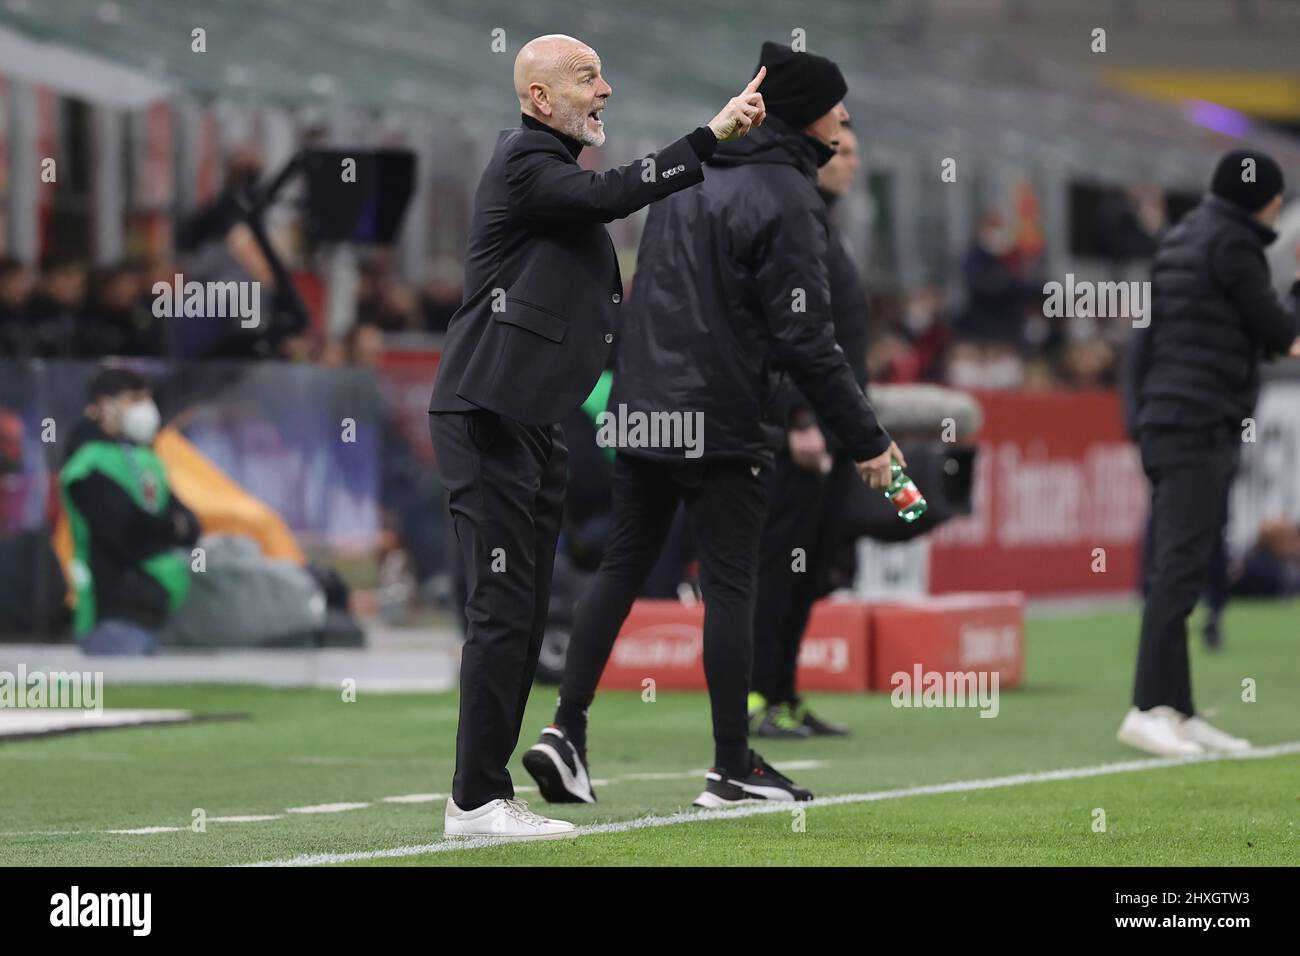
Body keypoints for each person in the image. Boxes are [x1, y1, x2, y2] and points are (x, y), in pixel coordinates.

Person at [526, 42, 900, 809]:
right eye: (839, 104)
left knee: (622, 568)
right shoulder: (790, 197)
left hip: (644, 408)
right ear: (808, 115)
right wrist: (866, 440)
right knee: (731, 583)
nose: (847, 117)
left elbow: (649, 296)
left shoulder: (690, 177)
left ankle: (565, 731)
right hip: (723, 415)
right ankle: (732, 766)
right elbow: (807, 340)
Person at [427, 33, 767, 839]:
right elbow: (612, 196)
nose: (605, 90)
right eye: (588, 78)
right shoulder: (524, 161)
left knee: (524, 611)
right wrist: (710, 137)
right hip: (486, 416)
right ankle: (475, 800)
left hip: (528, 425)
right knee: (503, 611)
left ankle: (484, 794)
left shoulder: (550, 173)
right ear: (540, 99)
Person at [1120, 148, 1300, 756]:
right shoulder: (1235, 244)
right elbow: (1276, 333)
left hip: (1168, 420)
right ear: (1263, 200)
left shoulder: (1180, 239)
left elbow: (1142, 340)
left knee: (1184, 561)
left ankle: (1178, 707)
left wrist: (1138, 421)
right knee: (1179, 566)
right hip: (1199, 422)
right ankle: (1147, 706)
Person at [748, 121, 867, 739]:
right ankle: (754, 699)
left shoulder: (828, 226)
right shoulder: (796, 221)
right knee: (776, 569)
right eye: (840, 151)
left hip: (833, 430)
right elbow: (786, 330)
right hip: (800, 434)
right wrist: (800, 416)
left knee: (809, 570)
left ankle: (785, 693)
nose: (850, 162)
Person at [60, 367, 199, 656]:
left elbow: (190, 523)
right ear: (103, 406)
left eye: (146, 399)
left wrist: (162, 526)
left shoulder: (146, 458)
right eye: (133, 399)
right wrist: (168, 528)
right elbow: (126, 535)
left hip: (162, 608)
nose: (144, 408)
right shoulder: (88, 464)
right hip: (114, 614)